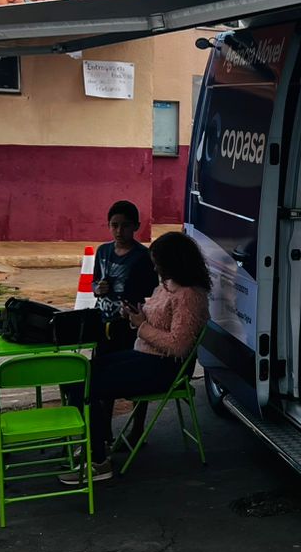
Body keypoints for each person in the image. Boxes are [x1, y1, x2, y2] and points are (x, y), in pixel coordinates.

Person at [61, 231, 209, 484]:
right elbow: (157, 319)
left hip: (165, 368)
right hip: (144, 355)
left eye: (158, 263)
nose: (155, 268)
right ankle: (95, 443)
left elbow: (178, 345)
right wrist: (134, 314)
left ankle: (98, 460)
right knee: (76, 375)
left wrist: (141, 325)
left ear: (174, 262)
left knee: (85, 386)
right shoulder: (167, 285)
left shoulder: (189, 295)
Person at [63, 201, 158, 414]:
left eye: (125, 226)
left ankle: (137, 426)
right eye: (114, 225)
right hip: (103, 324)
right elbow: (94, 282)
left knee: (134, 378)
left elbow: (151, 294)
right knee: (101, 378)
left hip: (130, 327)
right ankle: (103, 425)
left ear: (136, 226)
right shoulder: (103, 251)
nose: (119, 231)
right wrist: (97, 288)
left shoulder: (143, 257)